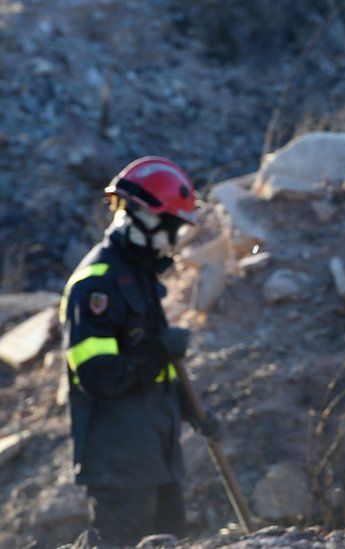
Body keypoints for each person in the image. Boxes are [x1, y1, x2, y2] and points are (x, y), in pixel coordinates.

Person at [60, 157, 214, 545]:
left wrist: (191, 412)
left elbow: (150, 374)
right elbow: (99, 376)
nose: (175, 239)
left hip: (157, 457)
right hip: (120, 467)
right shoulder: (95, 285)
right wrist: (159, 351)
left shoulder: (138, 276)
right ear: (146, 219)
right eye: (172, 227)